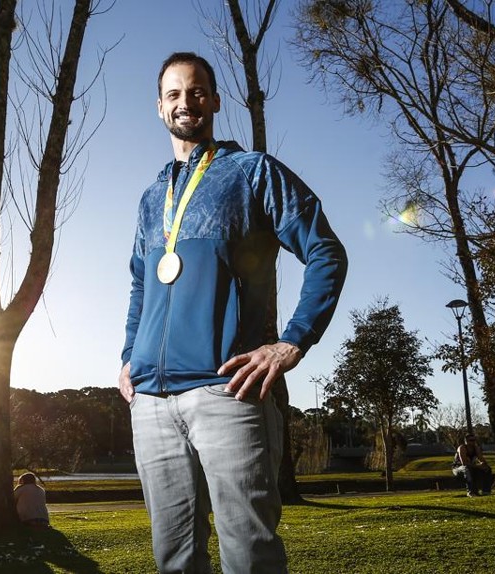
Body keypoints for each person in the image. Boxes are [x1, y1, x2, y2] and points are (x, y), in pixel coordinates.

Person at [118, 52, 347, 573]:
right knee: (173, 561)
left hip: (229, 390)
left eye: (196, 91)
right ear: (159, 107)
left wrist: (291, 342)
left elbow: (326, 252)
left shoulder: (252, 172)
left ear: (215, 101)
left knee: (250, 557)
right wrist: (130, 354)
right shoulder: (151, 198)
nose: (185, 102)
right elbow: (139, 282)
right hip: (151, 403)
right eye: (174, 94)